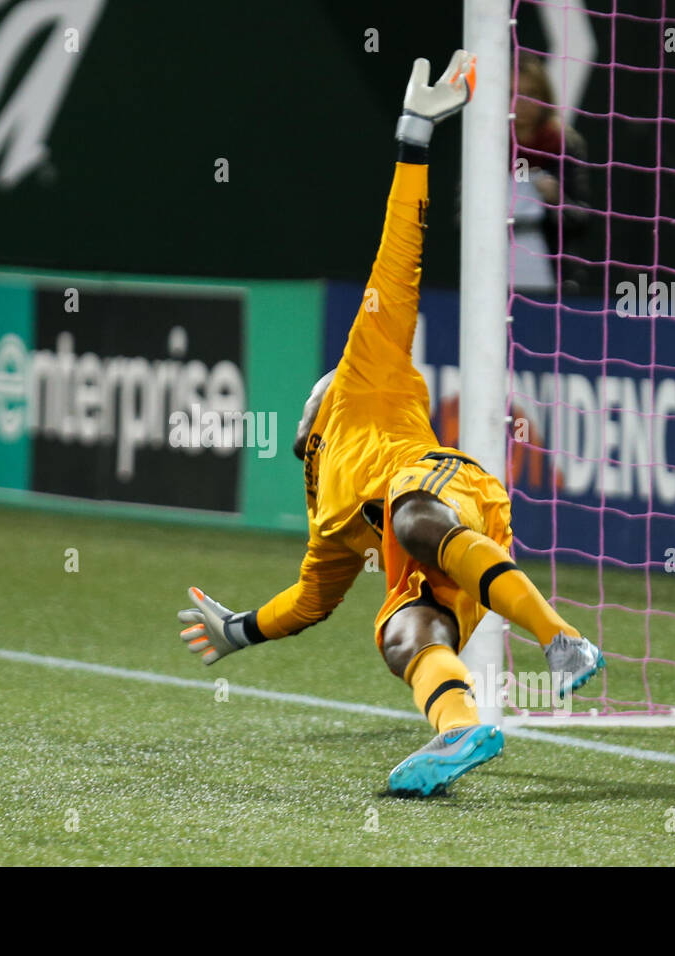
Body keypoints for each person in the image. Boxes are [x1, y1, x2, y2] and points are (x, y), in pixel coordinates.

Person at [174, 52, 603, 798]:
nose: (331, 381)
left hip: (448, 494)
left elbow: (396, 258)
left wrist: (414, 138)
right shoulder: (329, 519)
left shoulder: (368, 378)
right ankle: (458, 728)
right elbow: (309, 602)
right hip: (441, 558)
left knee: (407, 514)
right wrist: (237, 629)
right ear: (308, 430)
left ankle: (560, 639)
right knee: (401, 632)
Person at [510, 53, 592, 295]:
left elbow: (582, 219)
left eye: (531, 94)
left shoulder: (565, 144)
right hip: (492, 272)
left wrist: (556, 200)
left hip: (554, 282)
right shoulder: (487, 146)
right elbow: (461, 217)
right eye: (513, 94)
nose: (522, 103)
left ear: (544, 97)